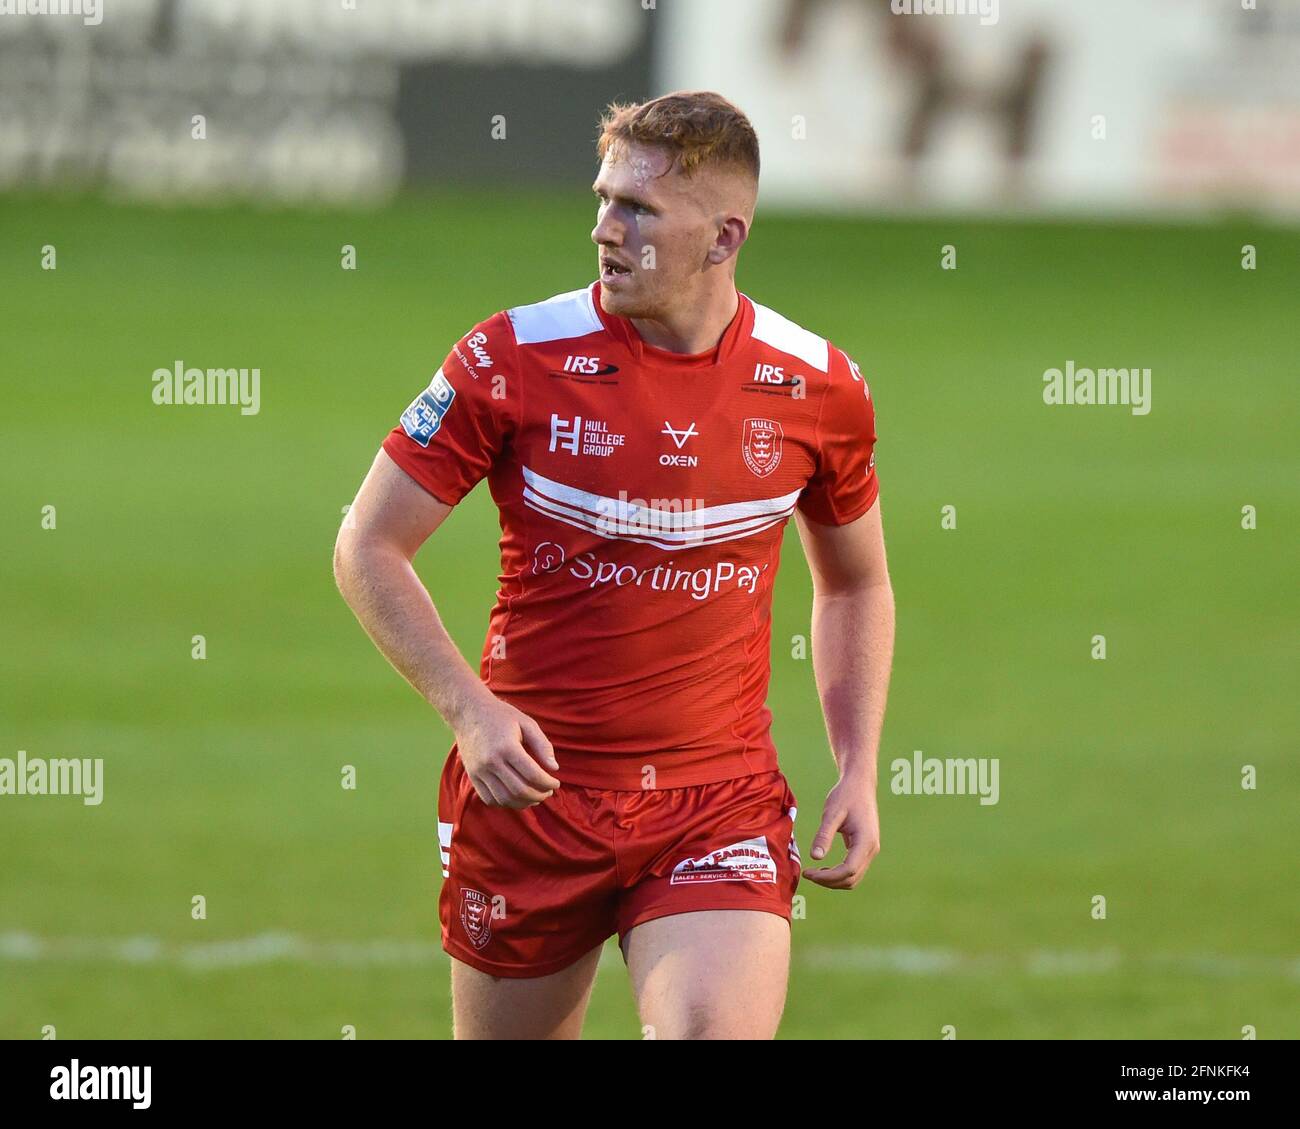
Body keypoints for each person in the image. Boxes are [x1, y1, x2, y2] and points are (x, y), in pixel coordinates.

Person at [333, 90, 895, 1039]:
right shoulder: (510, 356)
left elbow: (856, 580)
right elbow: (367, 544)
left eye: (637, 209)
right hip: (532, 796)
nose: (603, 229)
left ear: (723, 237)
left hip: (716, 802)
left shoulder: (817, 386)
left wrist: (858, 762)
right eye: (603, 199)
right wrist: (469, 709)